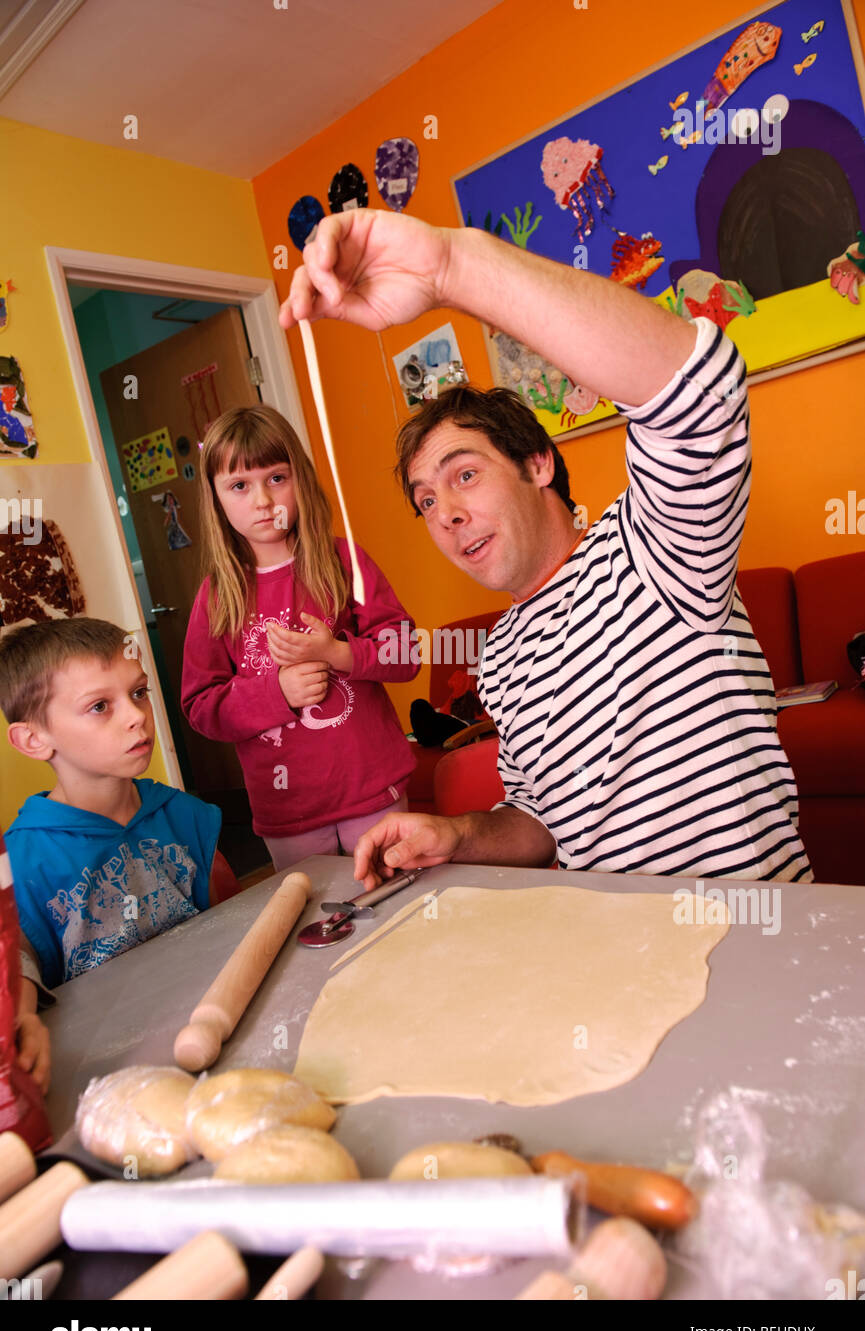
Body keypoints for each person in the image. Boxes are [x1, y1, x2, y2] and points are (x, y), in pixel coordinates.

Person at [278, 209, 813, 890]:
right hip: (619, 959)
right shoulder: (499, 658)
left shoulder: (654, 550)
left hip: (752, 938)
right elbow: (540, 821)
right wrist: (456, 833)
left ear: (536, 464)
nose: (446, 514)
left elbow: (698, 394)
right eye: (425, 502)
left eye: (463, 475)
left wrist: (451, 267)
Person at [180, 404, 419, 869]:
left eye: (276, 478)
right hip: (288, 810)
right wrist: (278, 693)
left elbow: (406, 653)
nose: (263, 501)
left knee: (397, 904)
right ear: (216, 499)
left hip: (372, 787)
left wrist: (339, 654)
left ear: (300, 479)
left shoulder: (343, 559)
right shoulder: (216, 597)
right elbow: (200, 706)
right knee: (314, 923)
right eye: (239, 486)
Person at [1, 618, 222, 1031]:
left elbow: (237, 926)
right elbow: (16, 984)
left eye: (139, 693)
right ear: (34, 740)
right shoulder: (19, 864)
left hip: (210, 1022)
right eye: (100, 706)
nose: (136, 716)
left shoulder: (183, 814)